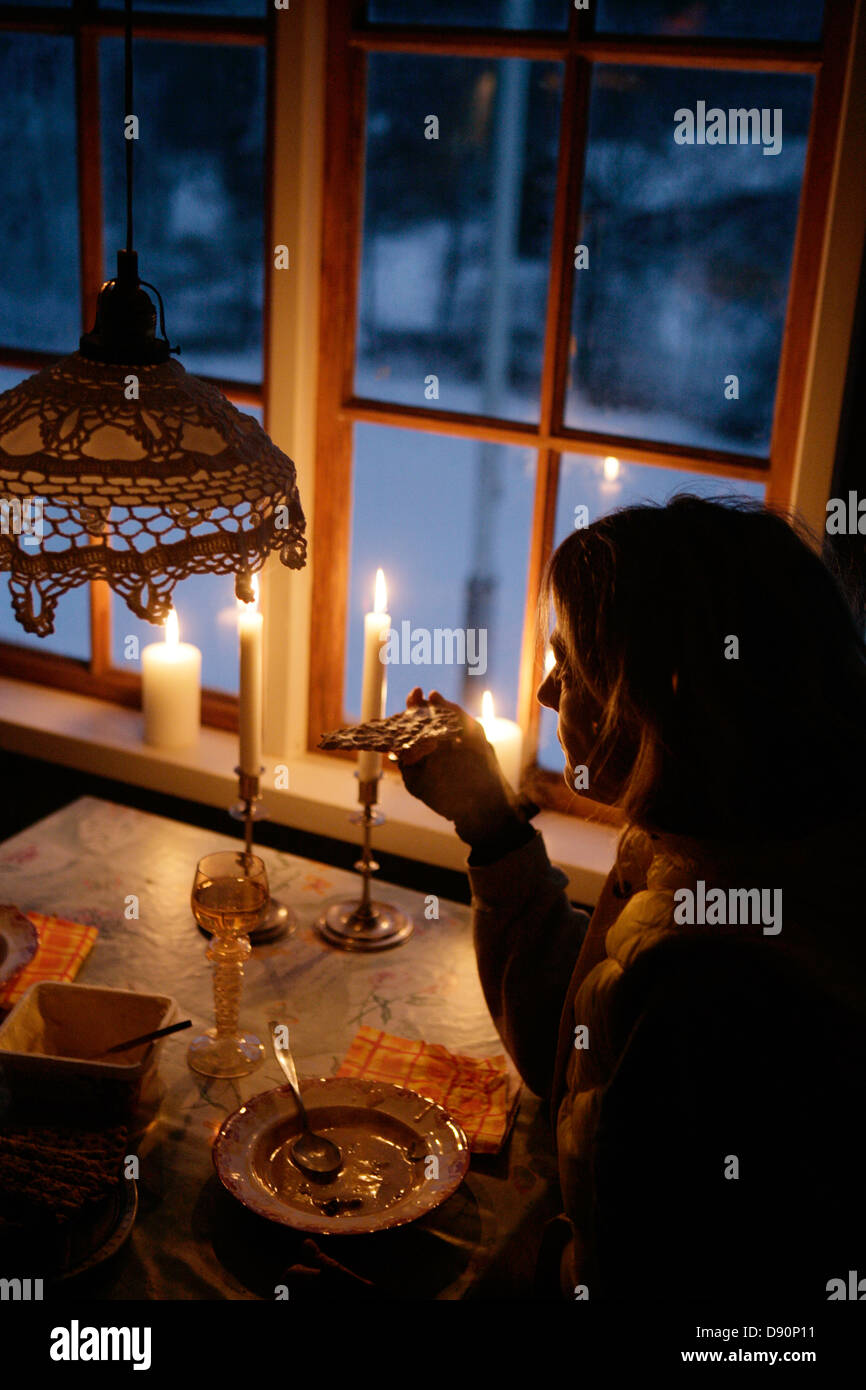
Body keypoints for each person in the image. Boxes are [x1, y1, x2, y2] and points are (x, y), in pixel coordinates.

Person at [397, 495, 866, 1301]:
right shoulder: (691, 842)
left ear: (665, 695)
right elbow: (567, 1051)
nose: (546, 694)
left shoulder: (717, 992)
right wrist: (491, 823)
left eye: (570, 667)